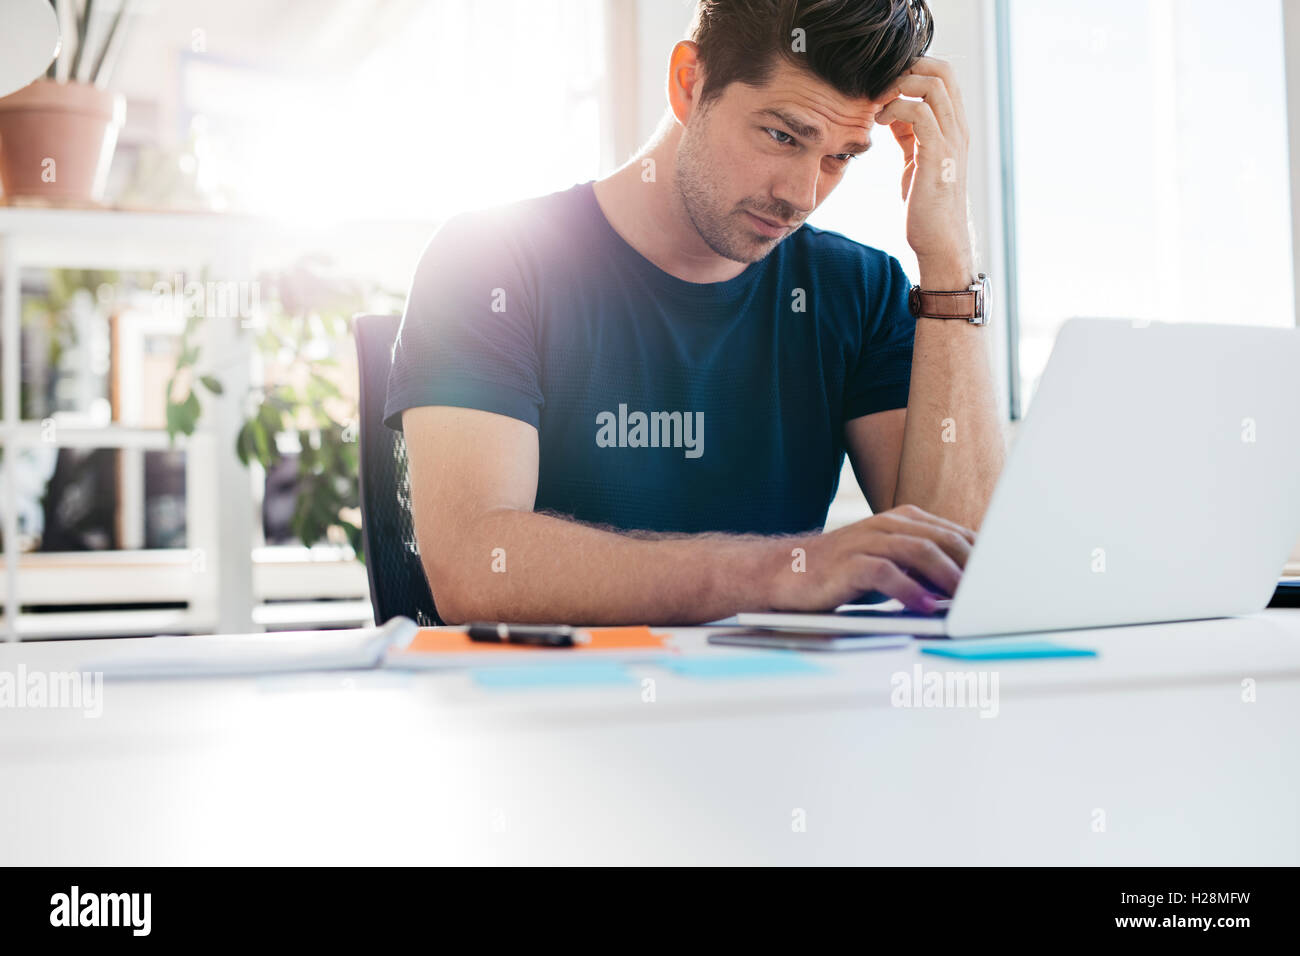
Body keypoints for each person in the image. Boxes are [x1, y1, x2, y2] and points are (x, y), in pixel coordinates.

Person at [384, 0, 1005, 625]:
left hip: (781, 708)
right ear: (689, 82)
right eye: (783, 135)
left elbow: (962, 573)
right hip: (550, 710)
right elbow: (475, 566)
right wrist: (786, 570)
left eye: (841, 156)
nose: (802, 195)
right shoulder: (490, 260)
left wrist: (949, 254)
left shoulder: (861, 289)